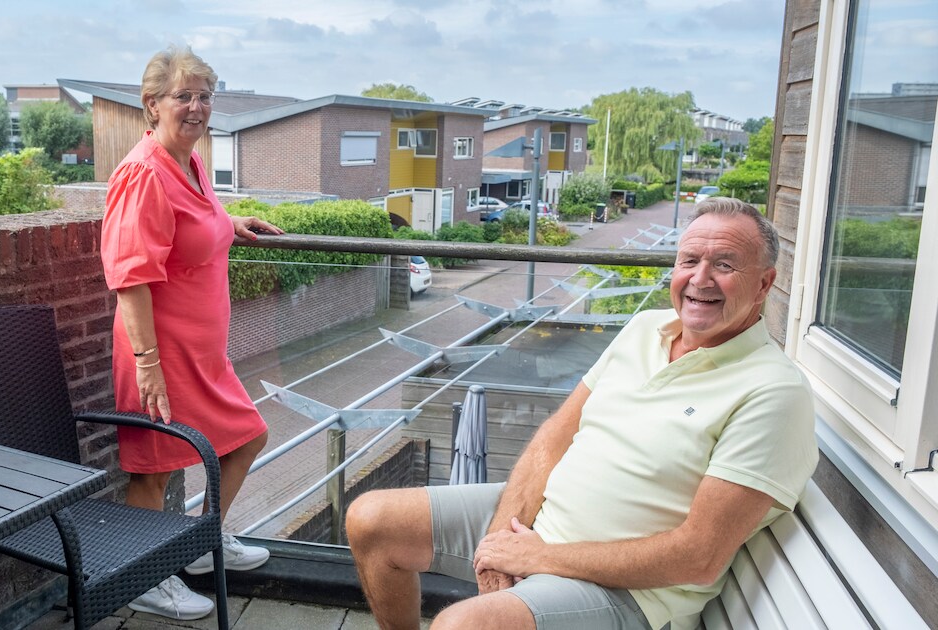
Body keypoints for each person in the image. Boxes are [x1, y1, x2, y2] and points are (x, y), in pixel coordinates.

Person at [347, 197, 818, 630]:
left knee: (463, 626)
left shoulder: (773, 391)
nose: (700, 279)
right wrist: (499, 541)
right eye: (689, 260)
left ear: (764, 283)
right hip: (539, 528)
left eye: (725, 265)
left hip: (625, 591)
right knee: (371, 519)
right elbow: (555, 437)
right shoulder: (646, 327)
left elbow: (698, 556)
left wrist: (538, 557)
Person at [99, 45, 284, 621]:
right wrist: (148, 363)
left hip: (201, 354)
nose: (198, 107)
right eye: (184, 96)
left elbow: (190, 226)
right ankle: (143, 579)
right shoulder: (143, 173)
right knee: (154, 469)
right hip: (159, 352)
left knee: (247, 437)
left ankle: (201, 544)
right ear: (152, 104)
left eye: (205, 96)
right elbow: (130, 278)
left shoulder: (190, 163)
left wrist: (230, 222)